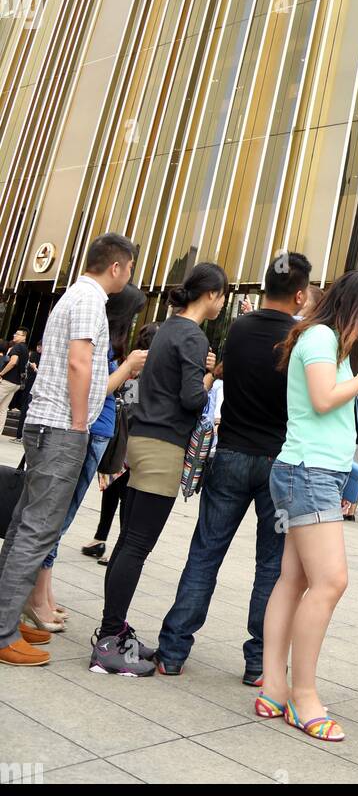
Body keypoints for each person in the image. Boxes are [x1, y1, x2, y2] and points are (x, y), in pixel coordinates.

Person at [156, 252, 312, 683]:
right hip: (276, 465)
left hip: (229, 455)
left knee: (205, 553)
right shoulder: (301, 338)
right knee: (271, 566)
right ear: (300, 294)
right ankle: (259, 662)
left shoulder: (239, 329)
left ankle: (172, 650)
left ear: (264, 286)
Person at [257, 271, 358, 739]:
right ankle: (303, 696)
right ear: (352, 307)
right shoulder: (320, 337)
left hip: (310, 470)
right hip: (307, 472)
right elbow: (321, 400)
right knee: (331, 581)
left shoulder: (323, 338)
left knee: (294, 579)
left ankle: (275, 686)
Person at [0, 233, 135, 667]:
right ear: (116, 266)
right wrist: (80, 423)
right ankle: (1, 632)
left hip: (47, 424)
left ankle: (4, 617)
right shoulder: (91, 301)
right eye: (130, 267)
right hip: (61, 428)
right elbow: (80, 361)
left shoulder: (73, 295)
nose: (130, 276)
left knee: (25, 523)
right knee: (37, 529)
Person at [90, 262, 227, 676]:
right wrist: (207, 377)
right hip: (165, 447)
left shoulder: (168, 328)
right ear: (211, 294)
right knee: (137, 545)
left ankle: (112, 630)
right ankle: (110, 640)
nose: (222, 303)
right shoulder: (191, 335)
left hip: (144, 441)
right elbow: (190, 400)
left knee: (128, 540)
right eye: (221, 296)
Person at [22, 284, 147, 630]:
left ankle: (42, 592)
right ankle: (36, 597)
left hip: (98, 432)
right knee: (56, 518)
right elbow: (95, 388)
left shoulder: (102, 338)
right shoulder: (96, 336)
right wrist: (128, 368)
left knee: (60, 515)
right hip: (88, 430)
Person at [82, 323, 160, 564]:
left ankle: (116, 545)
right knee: (117, 490)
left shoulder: (139, 370)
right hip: (139, 439)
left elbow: (130, 406)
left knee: (121, 492)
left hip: (130, 440)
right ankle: (102, 538)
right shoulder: (151, 368)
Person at [0, 329, 30, 436]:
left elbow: (13, 362)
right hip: (16, 383)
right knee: (3, 409)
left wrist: (1, 374)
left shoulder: (17, 347)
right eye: (15, 333)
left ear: (24, 337)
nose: (14, 335)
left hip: (8, 381)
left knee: (2, 408)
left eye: (17, 334)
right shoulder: (25, 349)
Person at [16, 342, 41, 441]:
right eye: (38, 346)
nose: (38, 348)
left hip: (35, 389)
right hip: (28, 387)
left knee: (27, 410)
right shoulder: (33, 355)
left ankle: (22, 436)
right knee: (24, 410)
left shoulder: (43, 358)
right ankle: (19, 435)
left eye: (41, 346)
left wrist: (35, 368)